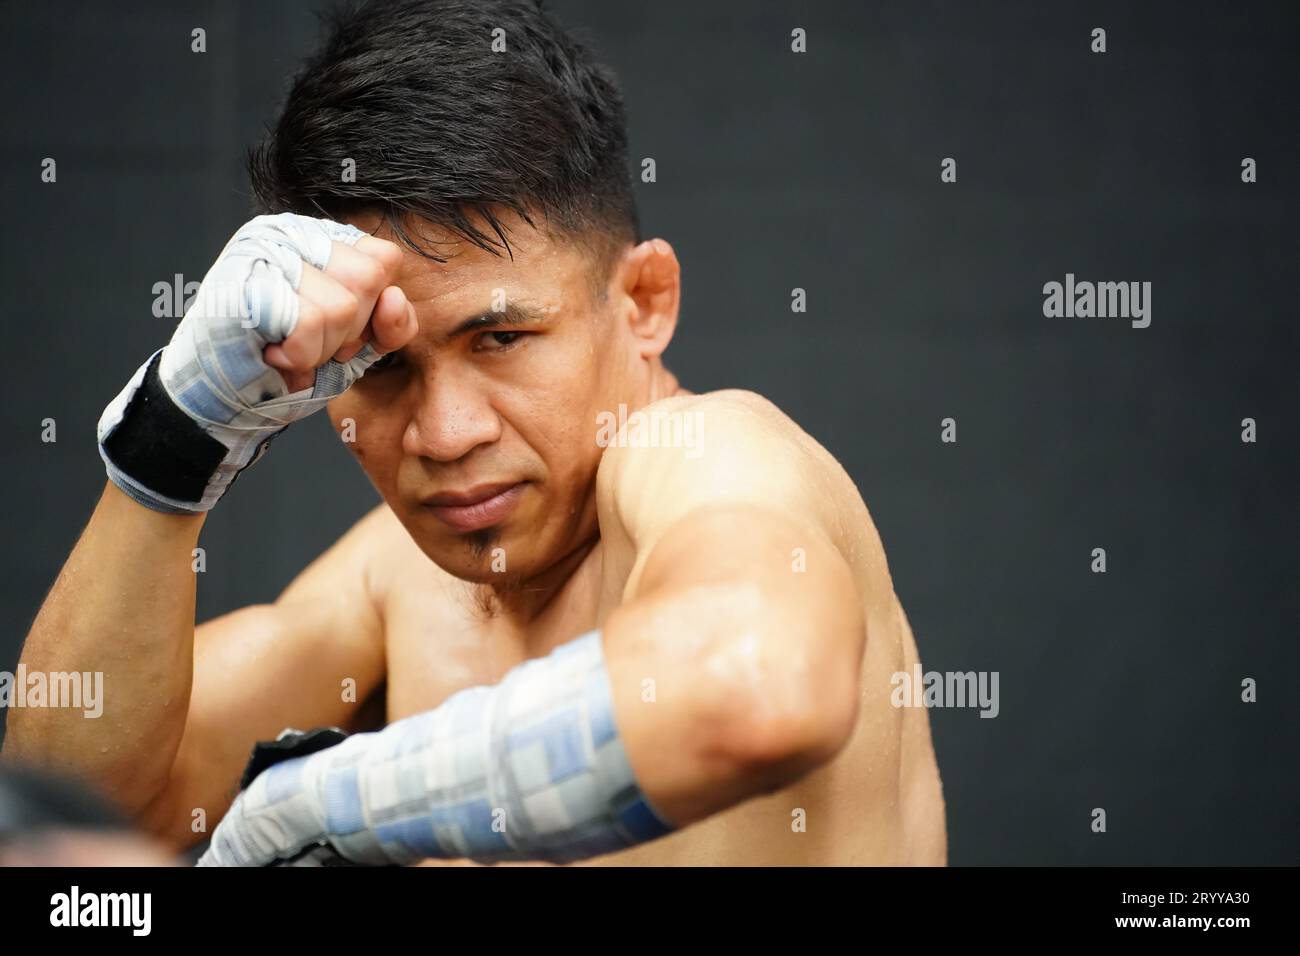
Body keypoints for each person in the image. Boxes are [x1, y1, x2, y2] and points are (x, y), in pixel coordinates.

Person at [3, 0, 945, 866]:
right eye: (382, 365)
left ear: (644, 301)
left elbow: (754, 690)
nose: (446, 436)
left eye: (502, 338)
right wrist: (176, 434)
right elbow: (73, 822)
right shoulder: (397, 583)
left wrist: (328, 801)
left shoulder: (710, 455)